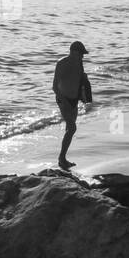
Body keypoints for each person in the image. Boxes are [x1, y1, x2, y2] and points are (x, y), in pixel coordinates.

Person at [52, 41, 91, 170]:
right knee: (72, 128)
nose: (82, 56)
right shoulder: (62, 63)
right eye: (81, 54)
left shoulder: (79, 63)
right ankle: (61, 158)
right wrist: (64, 101)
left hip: (74, 100)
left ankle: (63, 159)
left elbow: (79, 81)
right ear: (73, 52)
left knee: (70, 129)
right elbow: (54, 87)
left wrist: (84, 96)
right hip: (63, 100)